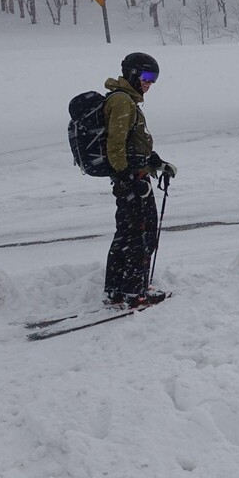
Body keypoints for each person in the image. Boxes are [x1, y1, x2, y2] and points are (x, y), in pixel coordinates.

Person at [102, 52, 175, 308]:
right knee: (141, 236)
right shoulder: (123, 101)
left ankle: (116, 290)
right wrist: (128, 178)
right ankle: (135, 293)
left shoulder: (127, 100)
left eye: (153, 78)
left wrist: (157, 163)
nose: (149, 83)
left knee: (127, 234)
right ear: (132, 73)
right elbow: (116, 145)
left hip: (132, 178)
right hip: (132, 181)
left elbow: (136, 144)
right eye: (145, 76)